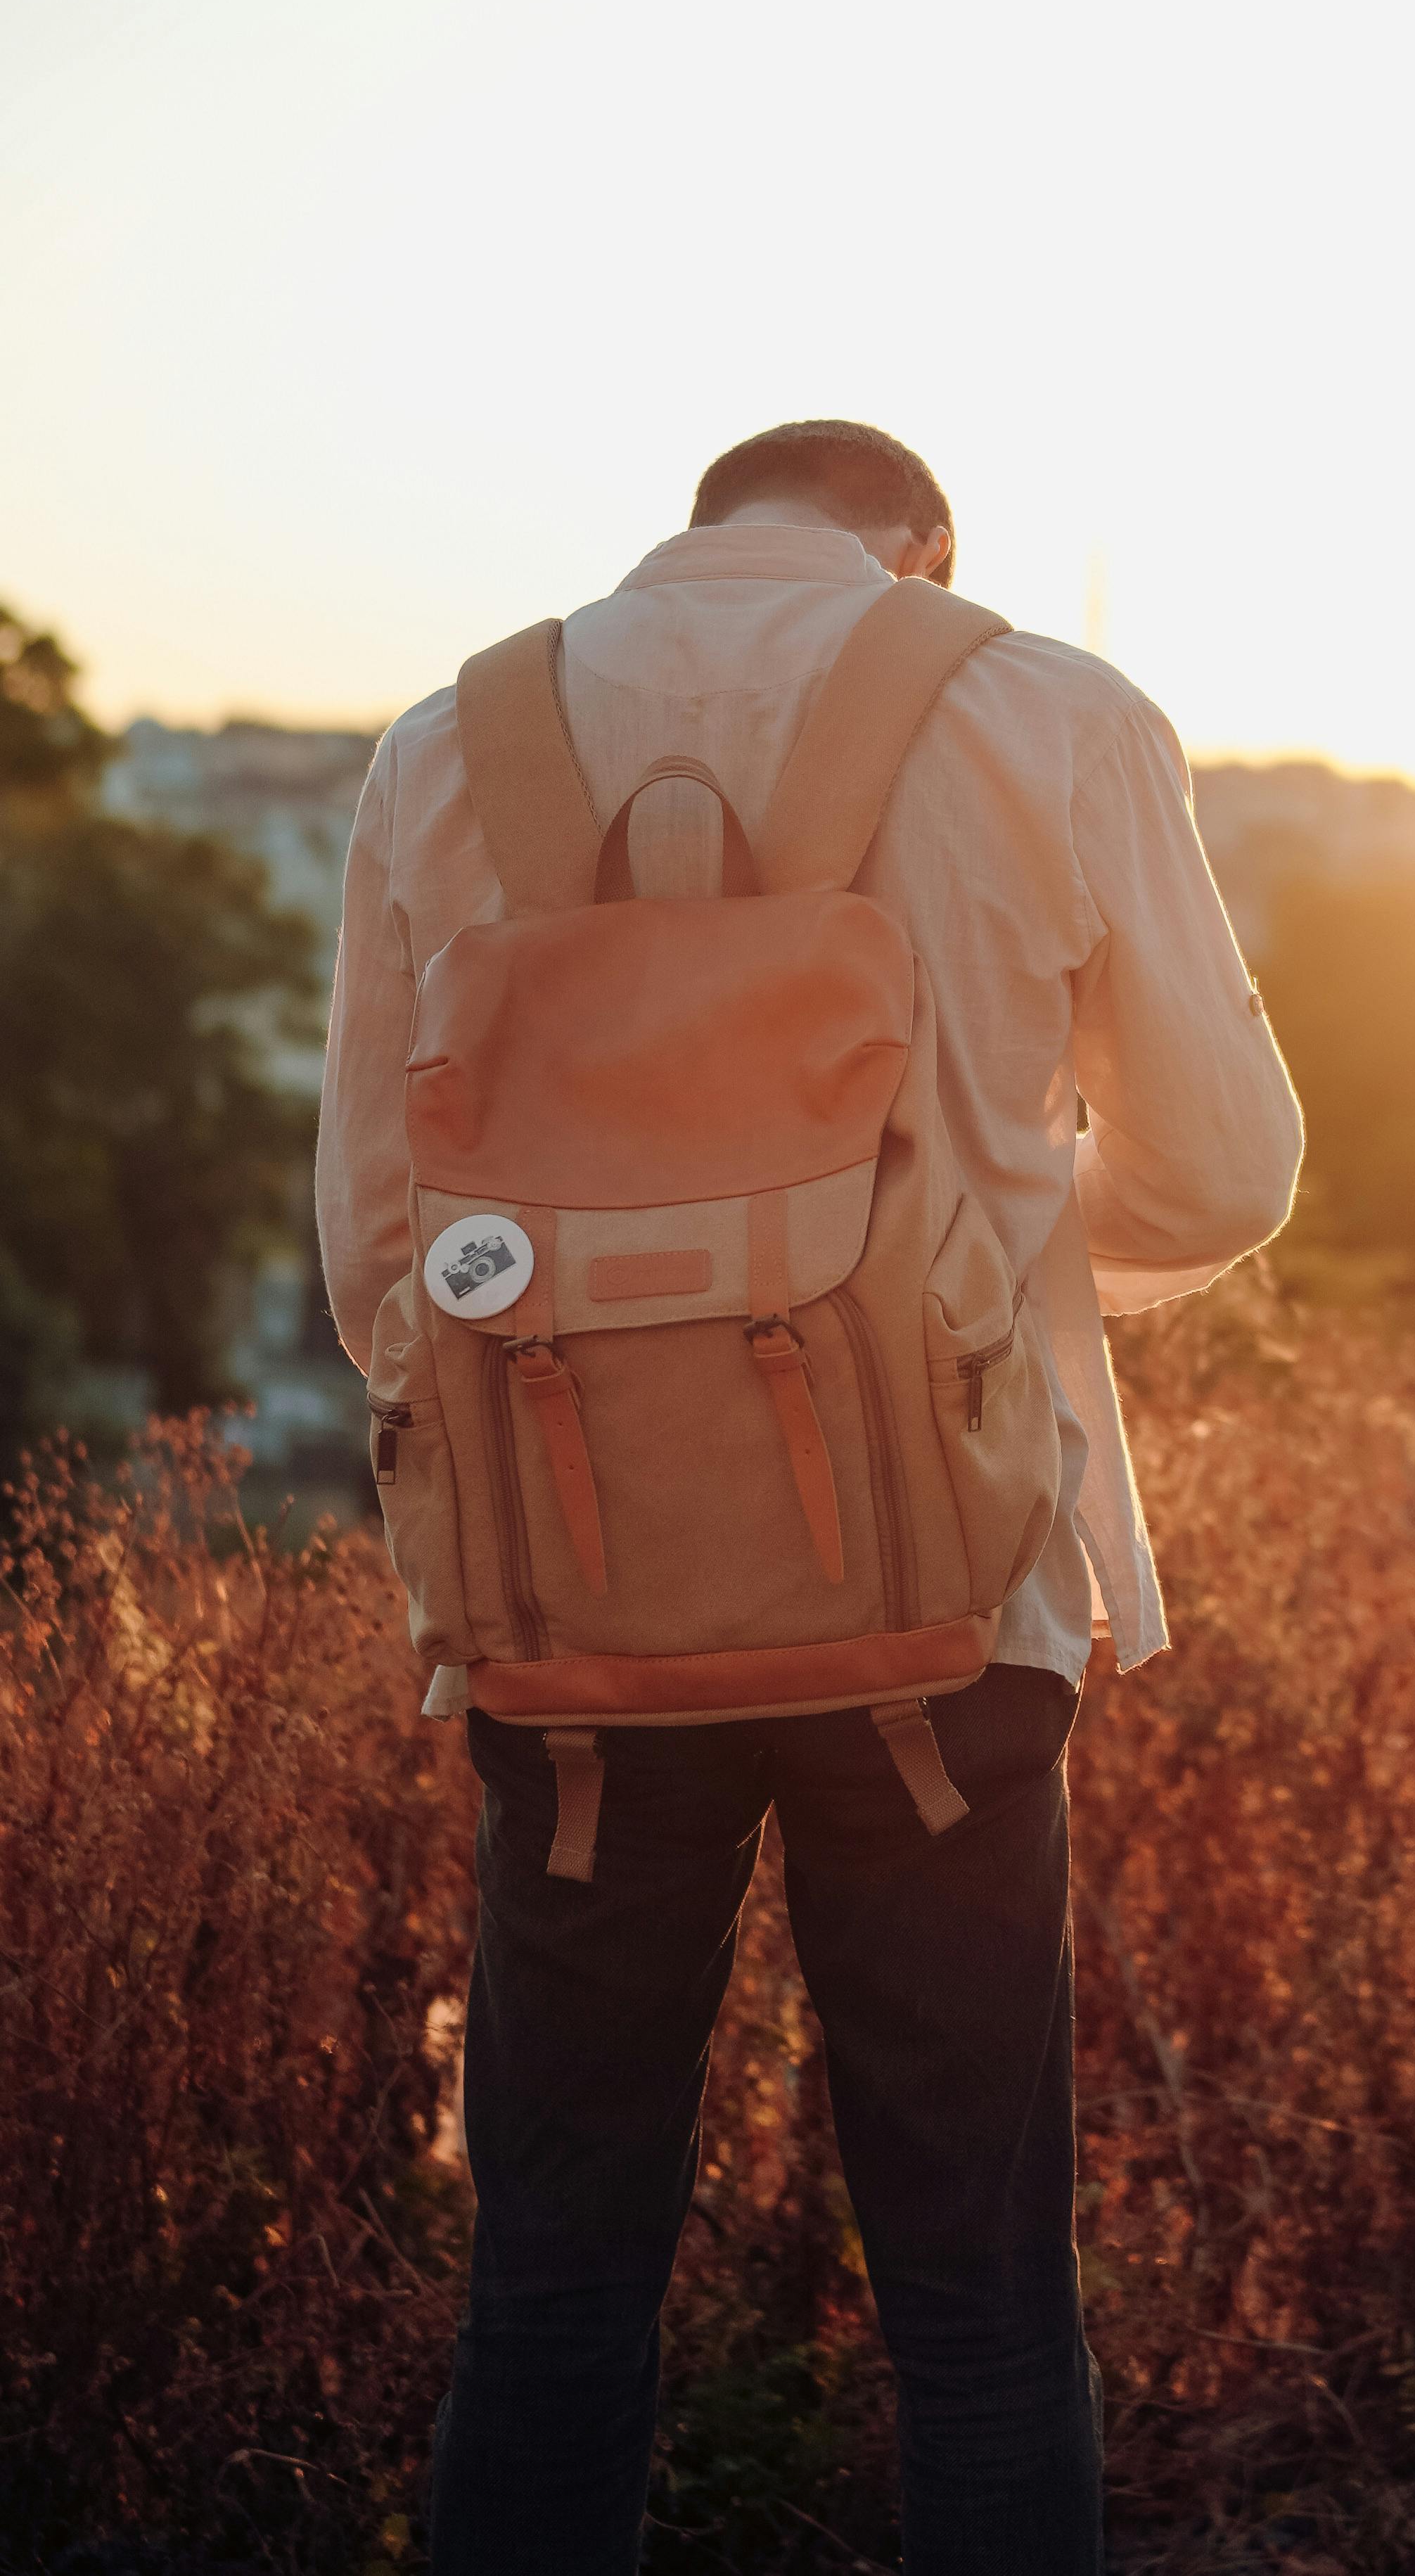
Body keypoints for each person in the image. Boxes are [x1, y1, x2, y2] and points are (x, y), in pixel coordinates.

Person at [319, 417, 1304, 2576]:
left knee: (553, 2288)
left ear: (695, 528)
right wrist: (1002, 1241)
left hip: (567, 1622)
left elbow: (376, 1250)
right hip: (943, 1605)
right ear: (922, 548)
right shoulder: (1046, 704)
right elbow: (1231, 1171)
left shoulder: (442, 742)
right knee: (971, 2301)